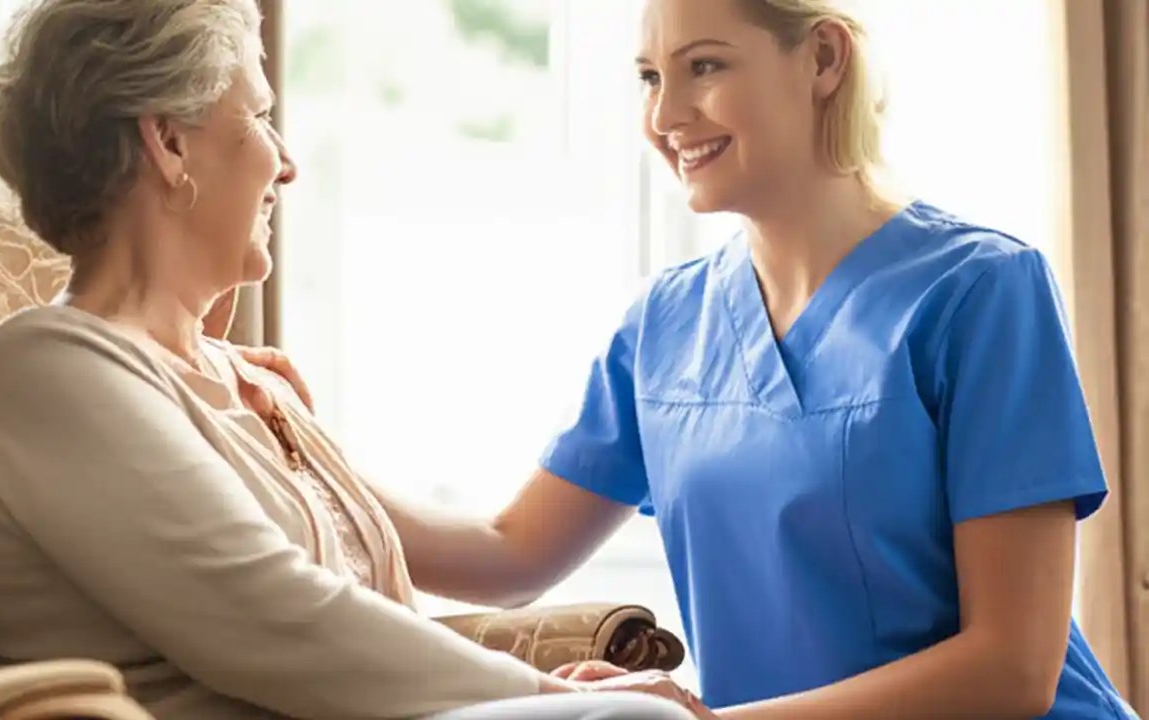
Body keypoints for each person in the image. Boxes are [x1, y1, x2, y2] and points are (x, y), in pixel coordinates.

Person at [274, 0, 1138, 717]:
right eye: (651, 78)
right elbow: (505, 556)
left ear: (824, 59)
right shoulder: (665, 325)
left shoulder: (980, 290)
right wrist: (289, 446)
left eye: (706, 68)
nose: (664, 116)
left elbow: (1011, 669)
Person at [0, 1, 702, 719]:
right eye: (260, 120)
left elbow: (433, 583)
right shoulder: (48, 371)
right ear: (168, 143)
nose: (286, 166)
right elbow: (272, 618)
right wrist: (554, 701)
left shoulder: (244, 386)